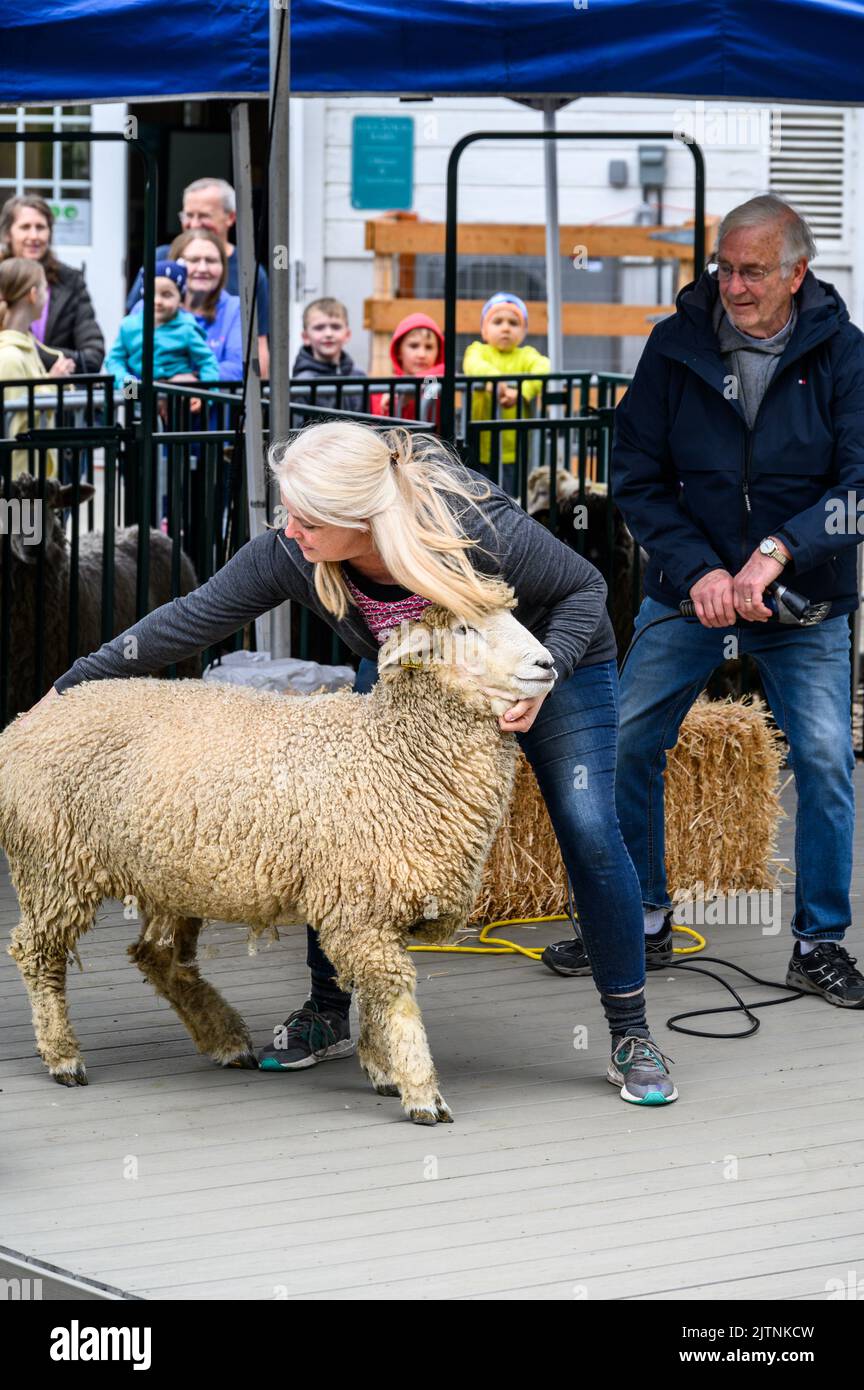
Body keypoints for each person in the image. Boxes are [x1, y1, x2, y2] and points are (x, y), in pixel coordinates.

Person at [31, 419, 678, 1107]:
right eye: (289, 511)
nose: (291, 528)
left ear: (360, 517)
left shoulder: (470, 526)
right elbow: (190, 618)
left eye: (307, 517)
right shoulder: (293, 552)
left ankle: (630, 1031)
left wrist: (549, 677)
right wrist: (71, 686)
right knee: (340, 817)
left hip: (547, 660)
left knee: (586, 824)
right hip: (411, 672)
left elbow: (583, 588)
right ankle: (328, 1010)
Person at [594, 192, 864, 1008]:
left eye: (753, 272)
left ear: (797, 274)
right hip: (691, 591)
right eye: (725, 268)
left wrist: (778, 553)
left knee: (823, 757)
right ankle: (641, 920)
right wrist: (704, 571)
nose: (735, 287)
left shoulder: (846, 354)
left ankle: (818, 942)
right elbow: (636, 478)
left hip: (803, 598)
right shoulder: (673, 346)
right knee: (627, 742)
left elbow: (861, 488)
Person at [125, 177, 270, 379]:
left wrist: (260, 400)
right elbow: (127, 346)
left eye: (203, 216)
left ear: (230, 217)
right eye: (188, 215)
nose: (194, 224)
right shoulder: (159, 259)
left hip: (217, 397)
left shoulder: (247, 279)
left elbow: (256, 349)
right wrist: (137, 393)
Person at [0, 194, 104, 375]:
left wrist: (35, 356)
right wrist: (33, 354)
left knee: (130, 393)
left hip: (62, 396)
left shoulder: (71, 281)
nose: (34, 236)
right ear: (8, 234)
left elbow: (93, 357)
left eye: (40, 227)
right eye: (25, 227)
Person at [462, 293, 550, 489]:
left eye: (513, 322)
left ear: (523, 332)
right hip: (479, 446)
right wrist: (493, 381)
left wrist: (522, 392)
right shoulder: (477, 350)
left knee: (511, 498)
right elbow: (472, 364)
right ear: (484, 330)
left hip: (513, 451)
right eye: (497, 321)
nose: (505, 327)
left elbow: (545, 366)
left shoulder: (527, 355)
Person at [104, 260, 220, 393]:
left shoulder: (187, 328)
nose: (157, 301)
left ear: (180, 301)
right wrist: (127, 383)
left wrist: (204, 396)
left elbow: (208, 362)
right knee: (132, 406)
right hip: (139, 396)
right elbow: (114, 360)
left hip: (176, 399)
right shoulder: (128, 326)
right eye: (151, 293)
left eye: (167, 295)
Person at [0, 257, 66, 478]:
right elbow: (17, 422)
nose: (48, 297)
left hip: (34, 478)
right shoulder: (10, 355)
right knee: (26, 516)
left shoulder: (26, 346)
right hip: (18, 484)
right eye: (46, 289)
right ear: (33, 294)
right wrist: (53, 383)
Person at [291, 298, 367, 418]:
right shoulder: (302, 382)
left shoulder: (359, 375)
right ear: (305, 337)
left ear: (347, 335)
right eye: (319, 328)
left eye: (336, 327)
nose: (328, 334)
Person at [370, 311, 445, 425]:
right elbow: (380, 430)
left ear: (438, 352)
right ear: (398, 351)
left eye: (429, 347)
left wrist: (413, 386)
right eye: (413, 346)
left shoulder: (434, 382)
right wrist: (400, 401)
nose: (421, 354)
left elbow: (447, 370)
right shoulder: (381, 391)